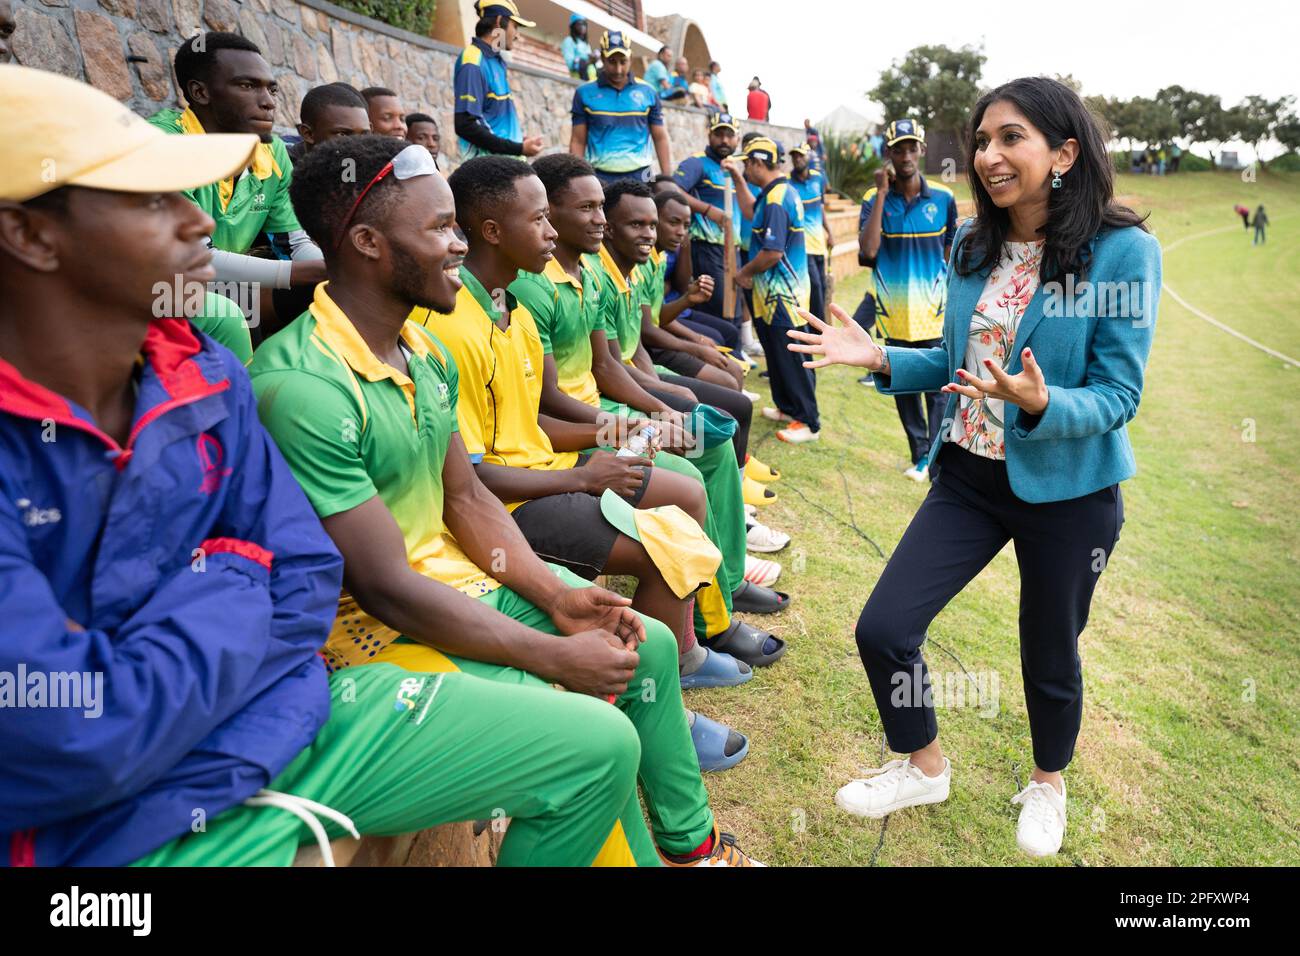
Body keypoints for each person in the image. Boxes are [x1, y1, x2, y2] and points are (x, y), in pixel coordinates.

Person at [0, 65, 634, 869]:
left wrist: (216, 595)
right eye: (150, 199)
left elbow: (301, 575)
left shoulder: (204, 374)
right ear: (28, 235)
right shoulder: (282, 379)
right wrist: (235, 573)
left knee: (597, 748)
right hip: (103, 826)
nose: (200, 224)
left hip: (287, 718)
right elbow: (73, 728)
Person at [253, 134, 761, 865]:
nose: (457, 243)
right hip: (373, 638)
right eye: (439, 228)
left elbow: (465, 498)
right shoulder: (303, 387)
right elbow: (385, 586)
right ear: (366, 242)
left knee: (640, 641)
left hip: (456, 583)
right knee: (592, 732)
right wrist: (548, 652)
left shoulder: (415, 350)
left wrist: (556, 596)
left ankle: (692, 846)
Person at [789, 76, 1160, 859]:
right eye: (982, 140)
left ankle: (1048, 782)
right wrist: (883, 354)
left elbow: (1118, 394)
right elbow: (964, 366)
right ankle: (922, 763)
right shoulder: (970, 244)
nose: (989, 155)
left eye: (1010, 138)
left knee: (1047, 650)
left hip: (1071, 491)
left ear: (1063, 152)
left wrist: (1040, 401)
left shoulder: (1125, 252)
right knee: (884, 628)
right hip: (968, 475)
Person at [417, 155, 755, 770]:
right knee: (665, 543)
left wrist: (614, 426)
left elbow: (529, 421)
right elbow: (467, 479)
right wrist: (581, 473)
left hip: (543, 479)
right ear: (492, 230)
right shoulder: (454, 326)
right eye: (540, 217)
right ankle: (664, 711)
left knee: (681, 515)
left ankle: (683, 662)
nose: (550, 231)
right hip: (507, 509)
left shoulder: (507, 313)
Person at [597, 178, 794, 645]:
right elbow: (602, 369)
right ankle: (708, 624)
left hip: (610, 408)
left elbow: (626, 354)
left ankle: (729, 575)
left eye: (655, 224)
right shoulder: (583, 279)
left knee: (713, 434)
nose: (651, 233)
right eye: (638, 223)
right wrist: (657, 408)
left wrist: (658, 403)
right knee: (692, 457)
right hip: (596, 421)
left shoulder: (604, 274)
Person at [148, 32, 325, 341]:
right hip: (153, 287)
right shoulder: (163, 145)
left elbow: (294, 244)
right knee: (229, 314)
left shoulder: (272, 151)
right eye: (247, 86)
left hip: (218, 286)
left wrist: (337, 270)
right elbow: (192, 258)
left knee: (325, 294)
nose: (268, 102)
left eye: (271, 88)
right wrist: (307, 273)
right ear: (200, 92)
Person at [859, 118, 958, 480]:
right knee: (904, 391)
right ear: (889, 154)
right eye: (898, 148)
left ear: (922, 150)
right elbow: (868, 251)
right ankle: (920, 455)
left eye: (911, 147)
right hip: (894, 315)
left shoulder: (944, 200)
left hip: (933, 314)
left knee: (939, 392)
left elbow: (951, 252)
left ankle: (937, 457)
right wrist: (883, 194)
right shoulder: (873, 200)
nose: (905, 155)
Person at [739, 137, 820, 445]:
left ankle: (808, 421)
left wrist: (743, 274)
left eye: (746, 163)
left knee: (791, 358)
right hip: (775, 295)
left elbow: (772, 252)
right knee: (777, 353)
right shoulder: (773, 192)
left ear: (758, 163)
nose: (745, 169)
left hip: (783, 295)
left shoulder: (777, 198)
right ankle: (788, 408)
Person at [672, 113, 755, 334]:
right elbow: (673, 191)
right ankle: (721, 354)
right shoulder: (696, 163)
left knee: (733, 304)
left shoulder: (733, 168)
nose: (724, 140)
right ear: (709, 134)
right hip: (707, 249)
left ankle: (735, 351)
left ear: (737, 138)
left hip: (732, 248)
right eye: (719, 134)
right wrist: (708, 210)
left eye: (730, 135)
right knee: (717, 306)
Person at [570, 31, 672, 185]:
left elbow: (660, 137)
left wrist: (667, 178)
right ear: (603, 59)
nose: (618, 69)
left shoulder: (648, 92)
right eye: (612, 61)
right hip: (599, 175)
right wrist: (576, 179)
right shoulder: (584, 93)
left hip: (643, 174)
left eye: (623, 62)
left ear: (630, 59)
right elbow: (578, 141)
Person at [454, 0, 545, 160]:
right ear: (498, 21)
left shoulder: (497, 60)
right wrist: (518, 148)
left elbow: (491, 121)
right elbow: (465, 125)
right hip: (489, 171)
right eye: (515, 26)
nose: (517, 35)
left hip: (506, 167)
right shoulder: (473, 60)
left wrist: (517, 141)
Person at [789, 142, 834, 321]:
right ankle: (818, 328)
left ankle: (818, 327)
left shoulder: (818, 178)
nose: (797, 159)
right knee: (814, 286)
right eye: (794, 156)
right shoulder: (788, 183)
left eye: (800, 155)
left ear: (808, 157)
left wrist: (830, 232)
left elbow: (820, 208)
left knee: (821, 286)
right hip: (801, 246)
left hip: (819, 244)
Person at [289, 82, 370, 164]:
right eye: (343, 134)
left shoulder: (365, 168)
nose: (358, 146)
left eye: (364, 135)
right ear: (308, 134)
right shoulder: (282, 170)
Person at [561, 13, 598, 81]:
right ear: (573, 27)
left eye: (584, 24)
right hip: (579, 81)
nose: (582, 26)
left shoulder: (586, 44)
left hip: (592, 81)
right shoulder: (569, 41)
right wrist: (589, 61)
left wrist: (595, 59)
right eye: (579, 24)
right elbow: (571, 65)